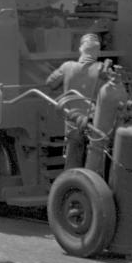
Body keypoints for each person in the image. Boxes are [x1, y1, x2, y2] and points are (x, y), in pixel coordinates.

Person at [47, 33, 107, 169]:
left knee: (72, 160)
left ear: (80, 49)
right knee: (95, 161)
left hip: (73, 122)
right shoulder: (102, 69)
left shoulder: (67, 67)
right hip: (94, 122)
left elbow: (50, 83)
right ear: (97, 51)